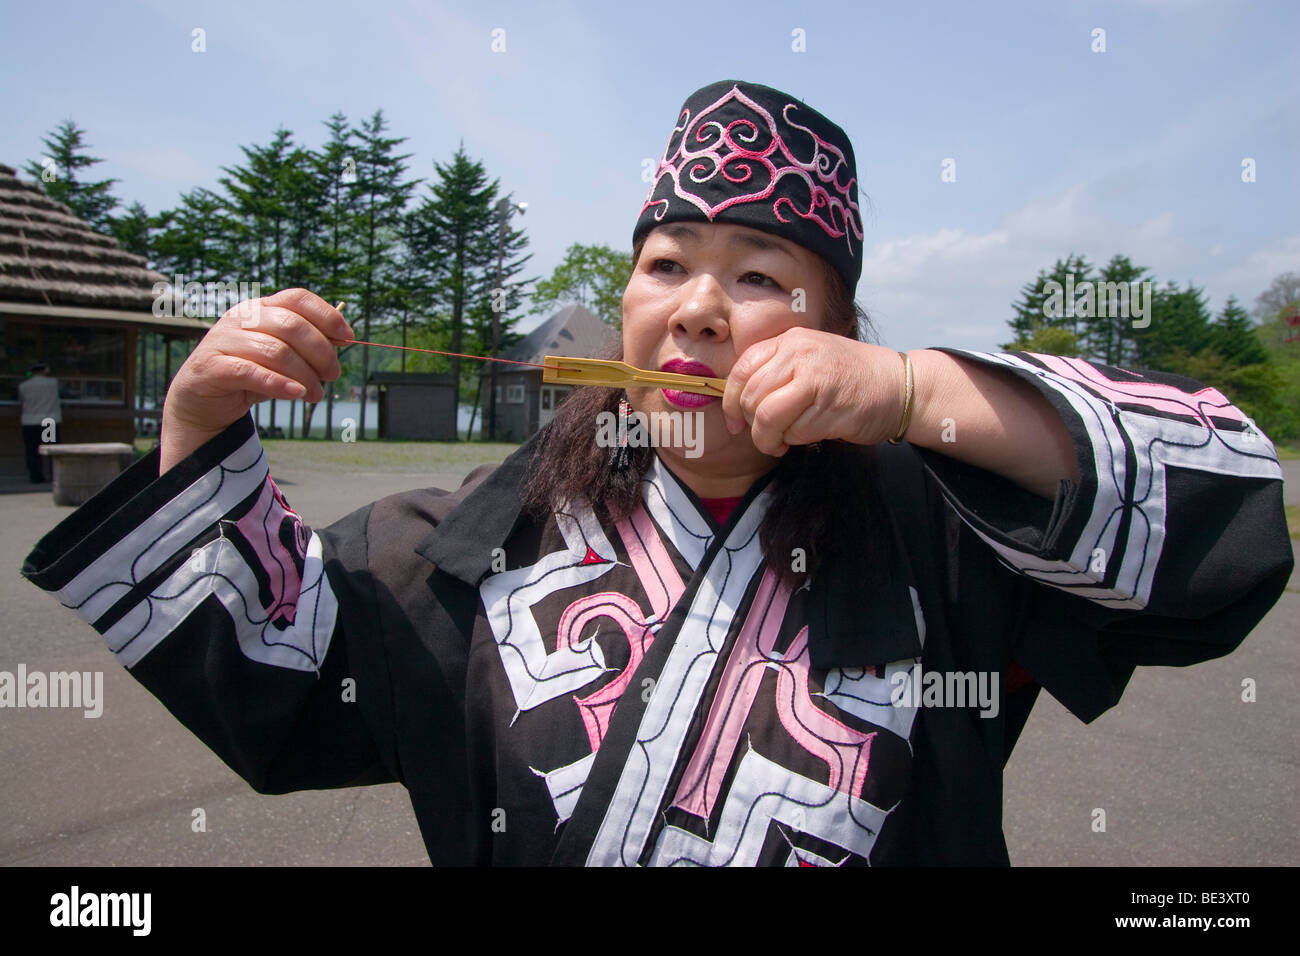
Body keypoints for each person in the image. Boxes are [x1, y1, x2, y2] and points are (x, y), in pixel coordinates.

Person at [21, 80, 1293, 866]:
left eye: (757, 275)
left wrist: (918, 397)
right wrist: (199, 415)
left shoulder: (950, 536)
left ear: (842, 332)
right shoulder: (463, 542)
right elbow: (275, 685)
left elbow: (1222, 526)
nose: (695, 310)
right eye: (665, 265)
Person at [18, 360, 61, 483]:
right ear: (44, 370)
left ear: (31, 372)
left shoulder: (23, 386)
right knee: (52, 450)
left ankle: (36, 477)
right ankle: (54, 475)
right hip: (49, 420)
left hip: (29, 421)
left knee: (32, 451)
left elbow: (21, 400)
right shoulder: (53, 383)